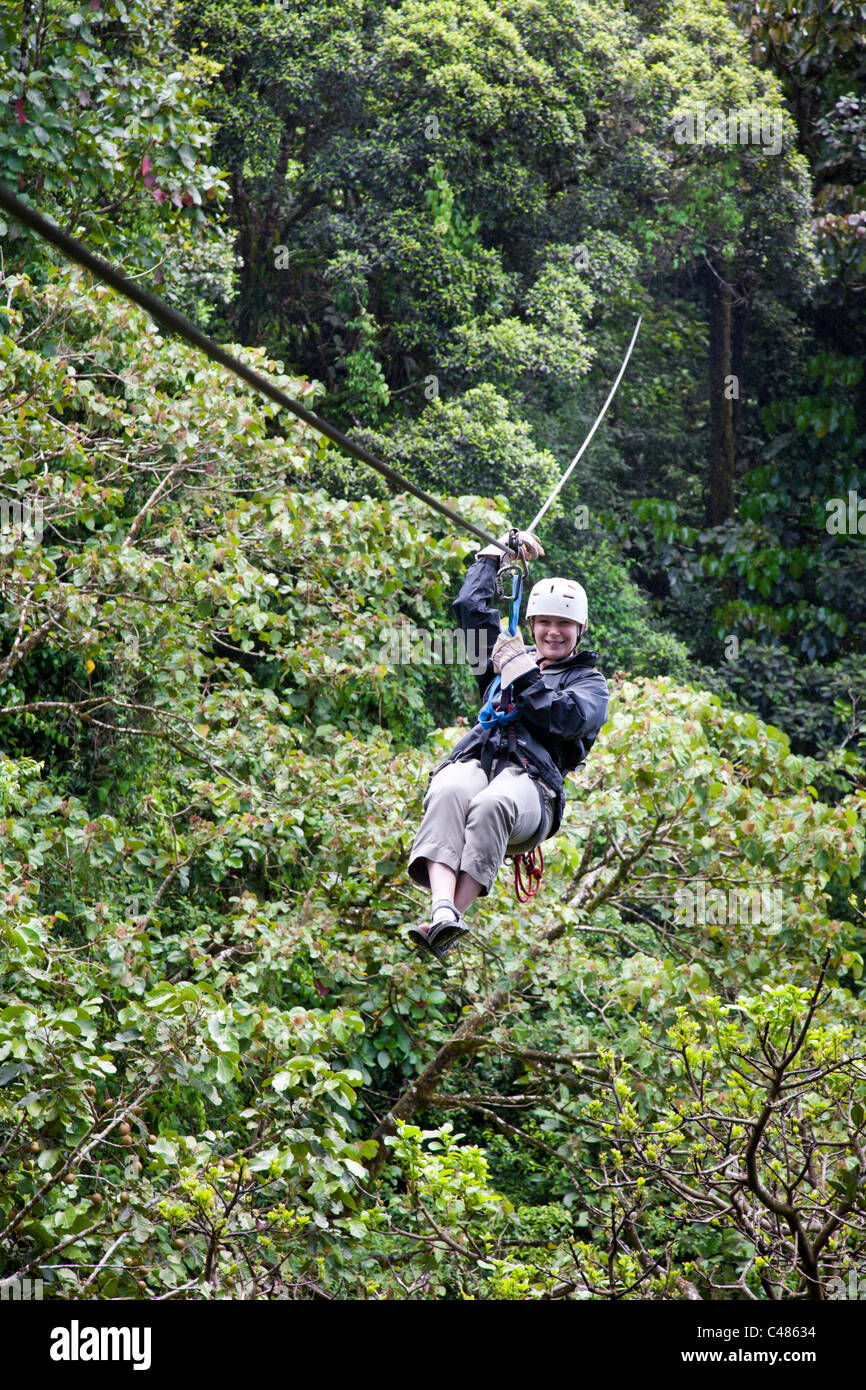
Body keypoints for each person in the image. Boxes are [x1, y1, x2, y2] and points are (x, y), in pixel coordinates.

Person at [406, 529, 609, 958]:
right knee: (447, 788)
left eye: (564, 625)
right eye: (545, 623)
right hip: (482, 761)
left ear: (580, 630)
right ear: (532, 624)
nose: (553, 632)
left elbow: (563, 719)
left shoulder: (589, 683)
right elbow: (469, 609)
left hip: (532, 789)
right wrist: (493, 553)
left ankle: (453, 916)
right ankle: (441, 908)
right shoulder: (503, 661)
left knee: (491, 804)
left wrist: (522, 671)